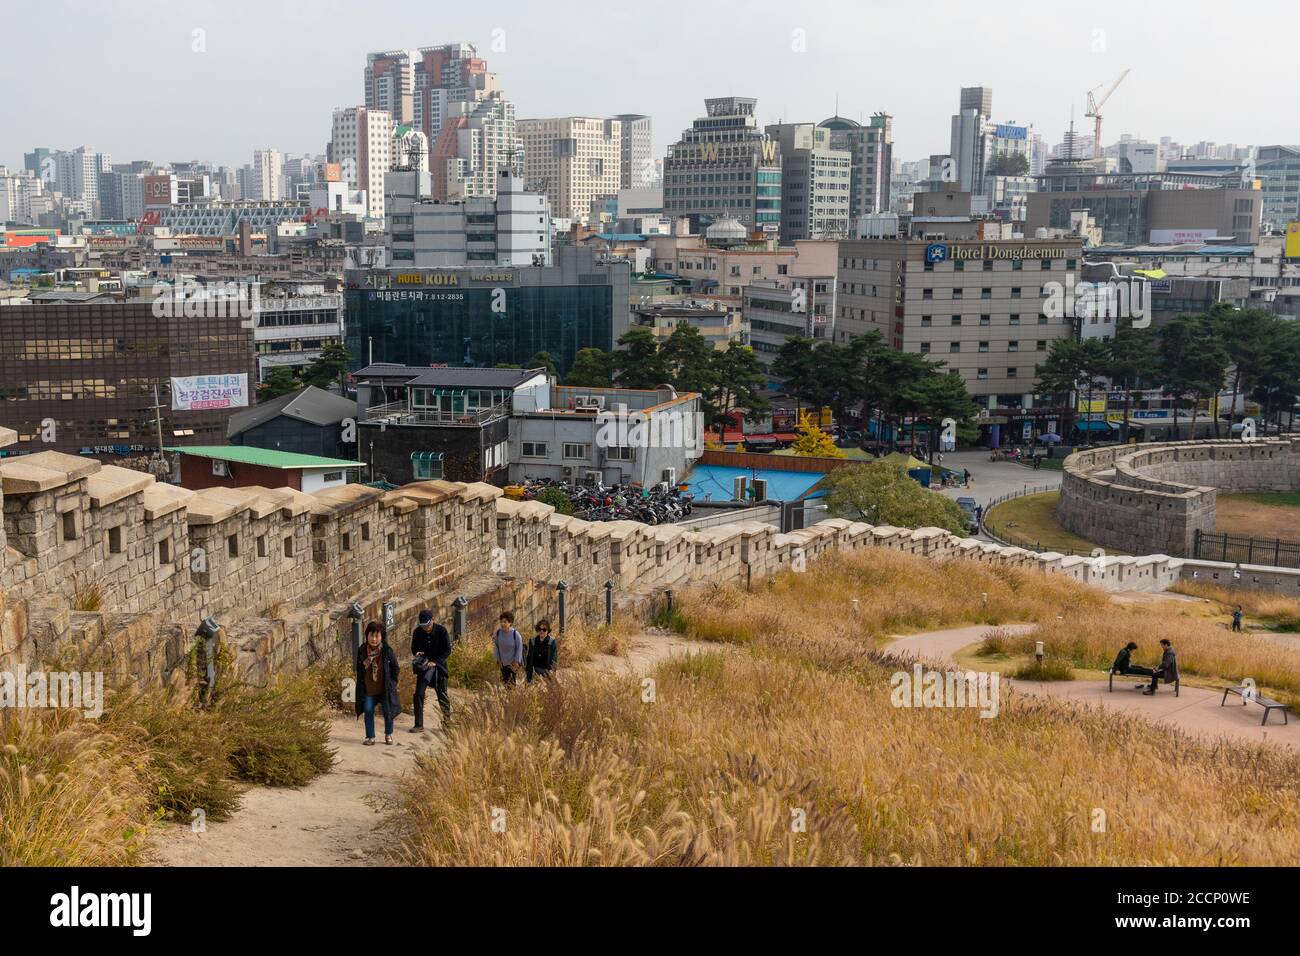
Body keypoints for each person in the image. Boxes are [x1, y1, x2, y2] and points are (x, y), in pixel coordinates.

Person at [355, 621, 401, 745]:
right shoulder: (362, 650)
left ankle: (388, 734)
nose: (374, 639)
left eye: (377, 636)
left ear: (382, 637)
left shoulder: (387, 651)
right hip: (369, 689)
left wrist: (392, 683)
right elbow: (359, 669)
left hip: (384, 688)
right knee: (368, 710)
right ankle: (370, 737)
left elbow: (396, 668)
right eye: (371, 635)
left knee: (388, 711)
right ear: (367, 636)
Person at [410, 609, 452, 731]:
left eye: (427, 625)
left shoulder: (442, 631)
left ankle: (447, 722)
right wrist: (417, 653)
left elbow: (447, 650)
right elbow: (414, 648)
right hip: (424, 667)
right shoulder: (417, 632)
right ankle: (418, 724)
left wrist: (436, 662)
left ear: (433, 620)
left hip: (439, 667)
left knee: (442, 694)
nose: (426, 628)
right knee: (418, 694)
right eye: (423, 625)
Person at [492, 612, 524, 686]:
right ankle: (508, 696)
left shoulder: (515, 634)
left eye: (505, 622)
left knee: (512, 682)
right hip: (503, 662)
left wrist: (516, 662)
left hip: (513, 663)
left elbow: (519, 648)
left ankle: (513, 696)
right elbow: (496, 646)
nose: (502, 624)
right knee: (505, 682)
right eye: (501, 622)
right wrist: (498, 659)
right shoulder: (498, 633)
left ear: (510, 623)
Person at [525, 619, 558, 684]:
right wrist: (528, 673)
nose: (541, 631)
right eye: (540, 629)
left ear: (548, 631)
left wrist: (552, 670)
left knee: (551, 690)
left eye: (544, 629)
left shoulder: (552, 641)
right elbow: (529, 658)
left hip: (547, 671)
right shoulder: (533, 641)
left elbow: (554, 657)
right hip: (535, 670)